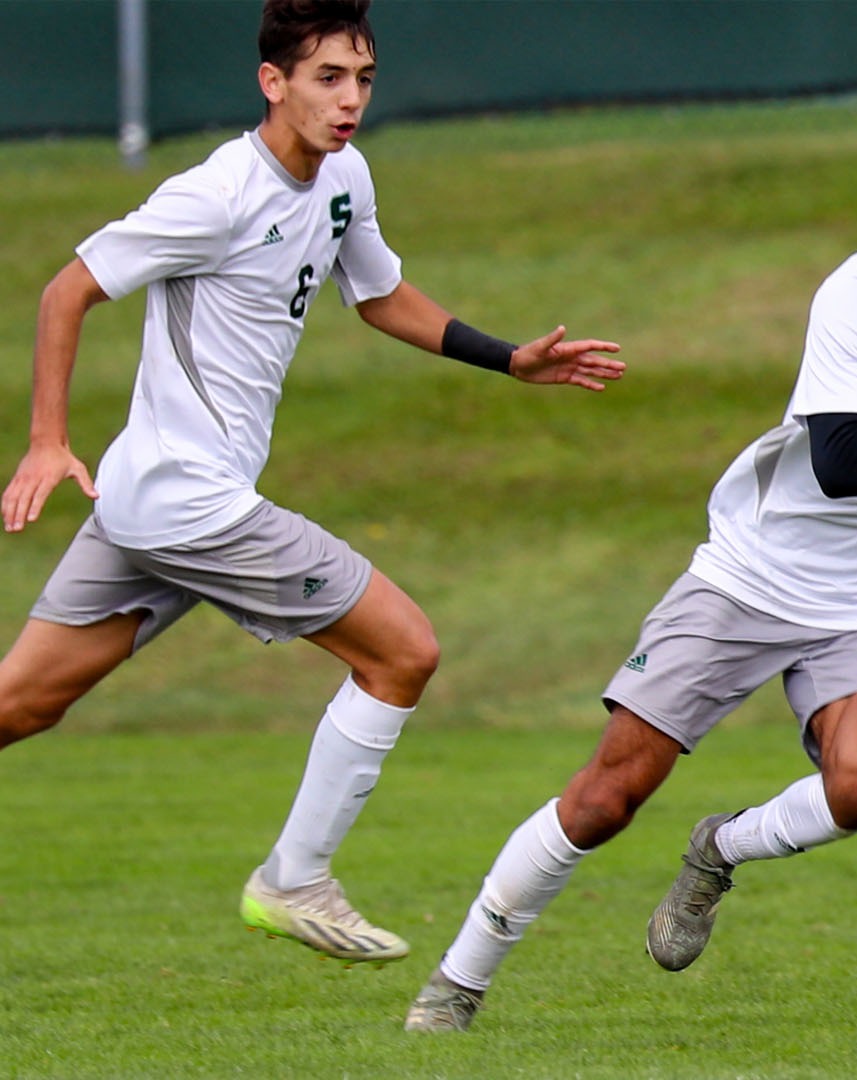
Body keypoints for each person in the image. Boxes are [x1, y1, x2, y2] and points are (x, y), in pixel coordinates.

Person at [405, 112, 857, 1032]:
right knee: (609, 795)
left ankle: (719, 849)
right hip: (753, 574)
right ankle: (455, 986)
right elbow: (843, 460)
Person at [0, 0, 623, 968]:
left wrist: (509, 361)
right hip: (188, 503)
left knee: (22, 705)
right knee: (402, 652)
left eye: (364, 80)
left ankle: (293, 876)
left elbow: (378, 295)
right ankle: (294, 879)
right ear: (272, 82)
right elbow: (67, 288)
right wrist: (47, 441)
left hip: (148, 507)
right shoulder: (217, 193)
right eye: (329, 78)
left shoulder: (343, 179)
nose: (351, 102)